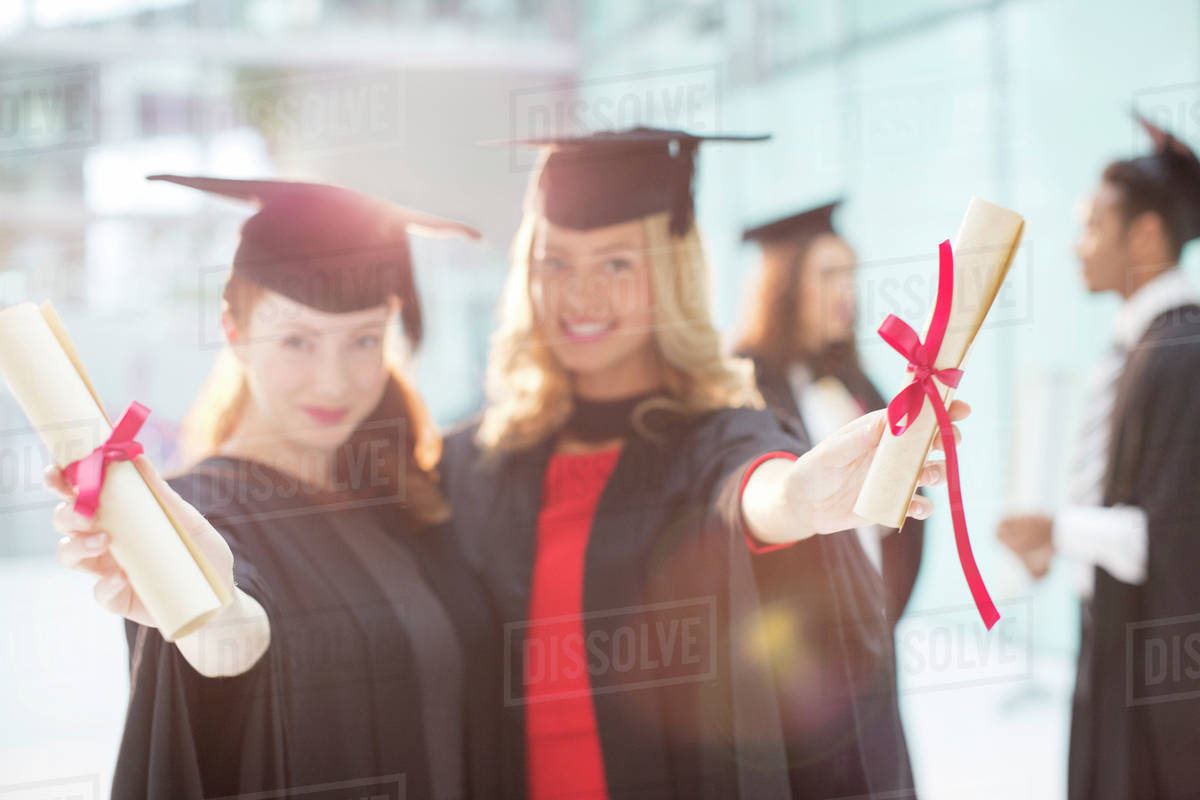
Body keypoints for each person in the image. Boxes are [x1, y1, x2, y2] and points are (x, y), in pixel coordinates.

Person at [439, 128, 963, 799]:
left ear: (670, 274)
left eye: (617, 265)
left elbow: (746, 485)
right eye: (557, 263)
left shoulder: (710, 436)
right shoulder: (474, 462)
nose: (581, 295)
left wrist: (795, 499)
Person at [46, 175, 501, 800]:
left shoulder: (406, 496)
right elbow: (229, 639)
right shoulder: (202, 515)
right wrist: (209, 606)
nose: (334, 382)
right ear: (233, 330)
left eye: (364, 340)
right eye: (296, 341)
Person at [997, 116, 1200, 800]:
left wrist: (1056, 529)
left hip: (1160, 672)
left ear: (1145, 235)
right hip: (1117, 642)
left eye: (1091, 226)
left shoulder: (1181, 355)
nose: (1075, 247)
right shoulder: (1145, 347)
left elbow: (1170, 538)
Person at [736, 198, 925, 625]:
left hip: (867, 622)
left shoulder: (854, 381)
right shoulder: (744, 383)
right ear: (784, 286)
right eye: (829, 276)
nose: (847, 292)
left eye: (851, 275)